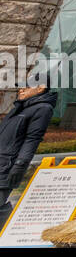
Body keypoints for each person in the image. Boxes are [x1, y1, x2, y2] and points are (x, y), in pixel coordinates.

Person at [0, 75, 57, 212]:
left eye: (26, 86)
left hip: (6, 168)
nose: (21, 90)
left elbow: (33, 139)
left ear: (41, 88)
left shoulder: (43, 108)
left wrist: (19, 166)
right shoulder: (20, 108)